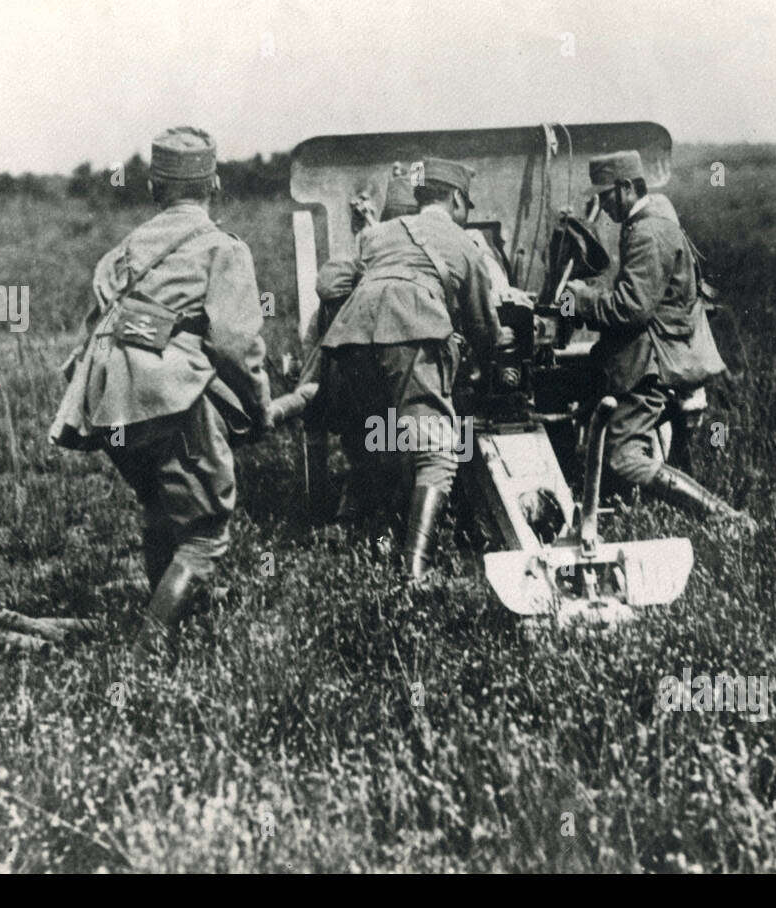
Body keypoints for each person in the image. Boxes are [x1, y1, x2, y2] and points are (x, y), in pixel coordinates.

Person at [49, 126, 273, 652]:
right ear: (214, 183)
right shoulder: (222, 249)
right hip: (171, 396)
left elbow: (107, 326)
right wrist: (259, 408)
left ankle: (169, 630)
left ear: (154, 187)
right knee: (204, 532)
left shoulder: (119, 253)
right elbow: (235, 347)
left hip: (110, 403)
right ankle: (147, 653)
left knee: (158, 509)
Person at [317, 157, 506, 579]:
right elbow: (482, 326)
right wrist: (491, 346)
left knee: (387, 444)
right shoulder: (463, 243)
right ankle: (414, 572)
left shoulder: (378, 235)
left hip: (352, 341)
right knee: (437, 451)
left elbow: (330, 283)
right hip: (410, 333)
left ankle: (376, 544)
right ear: (457, 198)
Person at [562, 150, 756, 533]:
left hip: (650, 362)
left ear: (626, 188)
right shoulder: (650, 221)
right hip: (653, 355)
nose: (602, 208)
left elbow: (633, 307)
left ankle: (723, 517)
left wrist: (580, 298)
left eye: (605, 197)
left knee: (620, 457)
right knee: (593, 436)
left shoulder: (649, 232)